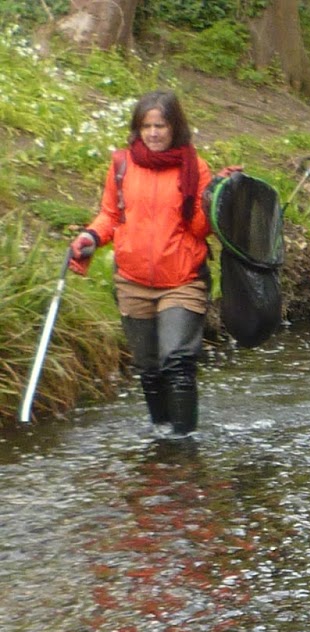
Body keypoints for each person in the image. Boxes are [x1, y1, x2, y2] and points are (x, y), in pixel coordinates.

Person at [70, 90, 226, 436]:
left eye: (161, 125)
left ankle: (184, 444)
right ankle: (162, 435)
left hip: (183, 279)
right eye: (147, 126)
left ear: (175, 128)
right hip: (132, 281)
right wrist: (90, 238)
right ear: (137, 128)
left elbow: (202, 228)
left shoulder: (194, 167)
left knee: (178, 362)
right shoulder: (122, 164)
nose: (153, 133)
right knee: (149, 367)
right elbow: (110, 215)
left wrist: (215, 196)